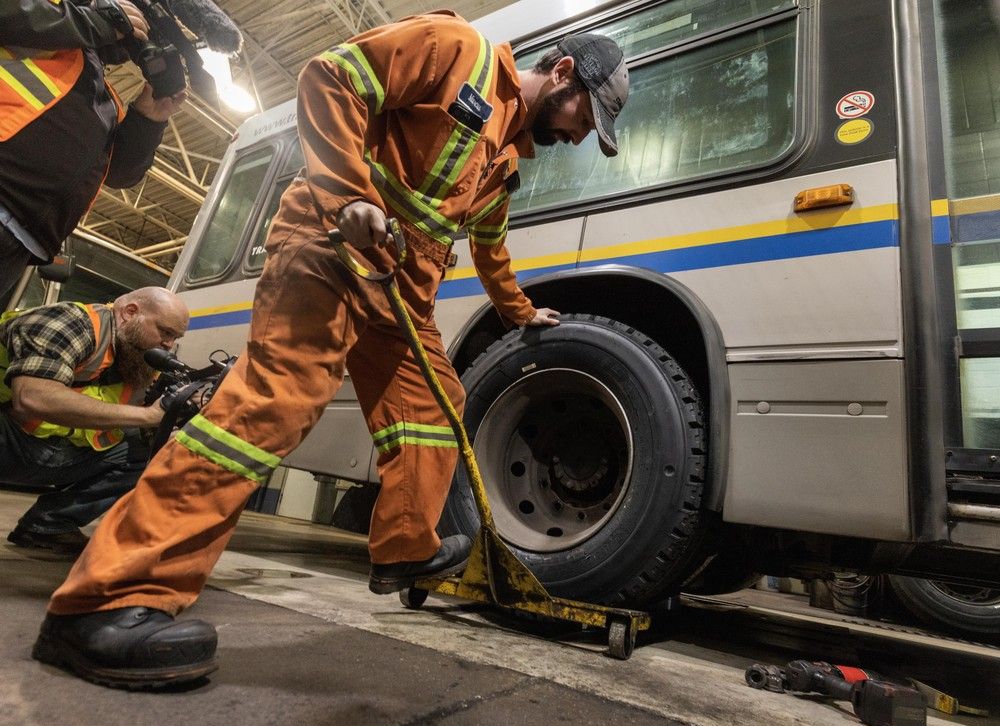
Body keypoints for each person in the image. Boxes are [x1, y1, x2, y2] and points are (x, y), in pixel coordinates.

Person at [34, 11, 630, 689]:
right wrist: (348, 190)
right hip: (327, 246)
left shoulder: (503, 158)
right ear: (561, 72)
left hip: (397, 295)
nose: (584, 135)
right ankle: (107, 601)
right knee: (272, 409)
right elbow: (332, 78)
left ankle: (404, 549)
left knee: (435, 404)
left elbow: (491, 251)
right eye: (590, 115)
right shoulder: (455, 49)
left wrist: (524, 312)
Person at [0, 0, 187, 303]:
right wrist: (97, 23)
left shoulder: (104, 100)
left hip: (21, 245)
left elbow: (121, 174)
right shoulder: (51, 21)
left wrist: (150, 117)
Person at [2, 287, 189, 553]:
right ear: (130, 313)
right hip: (10, 436)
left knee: (154, 451)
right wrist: (148, 417)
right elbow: (33, 397)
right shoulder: (69, 322)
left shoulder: (140, 360)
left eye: (175, 337)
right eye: (165, 332)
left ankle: (48, 525)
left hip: (49, 453)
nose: (169, 344)